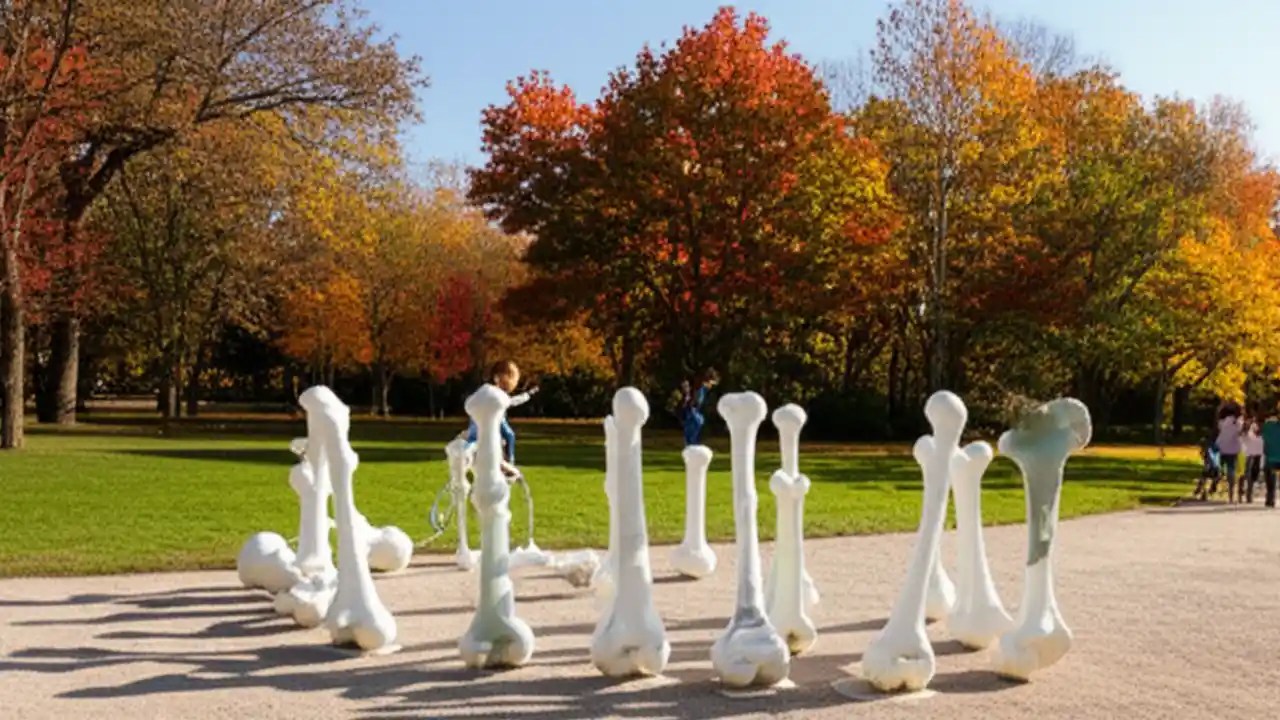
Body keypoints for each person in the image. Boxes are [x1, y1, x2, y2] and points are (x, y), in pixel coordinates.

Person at [463, 360, 537, 470]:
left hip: (478, 419)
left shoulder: (484, 391)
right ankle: (509, 459)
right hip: (494, 419)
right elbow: (510, 402)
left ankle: (467, 456)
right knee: (509, 435)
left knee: (475, 437)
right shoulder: (497, 394)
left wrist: (527, 395)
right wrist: (528, 395)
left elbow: (470, 403)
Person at [679, 370, 718, 447]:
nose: (711, 386)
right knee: (696, 424)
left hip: (693, 410)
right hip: (691, 410)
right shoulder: (701, 388)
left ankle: (691, 444)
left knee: (697, 424)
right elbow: (693, 401)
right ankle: (691, 444)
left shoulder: (703, 389)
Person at [1214, 401, 1243, 503]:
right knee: (1231, 470)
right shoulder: (1238, 422)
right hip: (1233, 448)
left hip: (1221, 447)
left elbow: (1219, 429)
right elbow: (1240, 432)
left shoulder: (1221, 421)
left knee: (1219, 467)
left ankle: (1217, 480)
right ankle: (1231, 494)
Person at [1261, 405, 1280, 508]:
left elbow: (1264, 441)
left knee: (1269, 473)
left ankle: (1270, 497)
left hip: (1271, 458)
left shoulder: (1268, 426)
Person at [1242, 414, 1264, 503]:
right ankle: (1248, 494)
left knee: (1253, 475)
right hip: (1249, 456)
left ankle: (1249, 493)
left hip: (1256, 455)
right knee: (1249, 475)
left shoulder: (1258, 434)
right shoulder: (1247, 433)